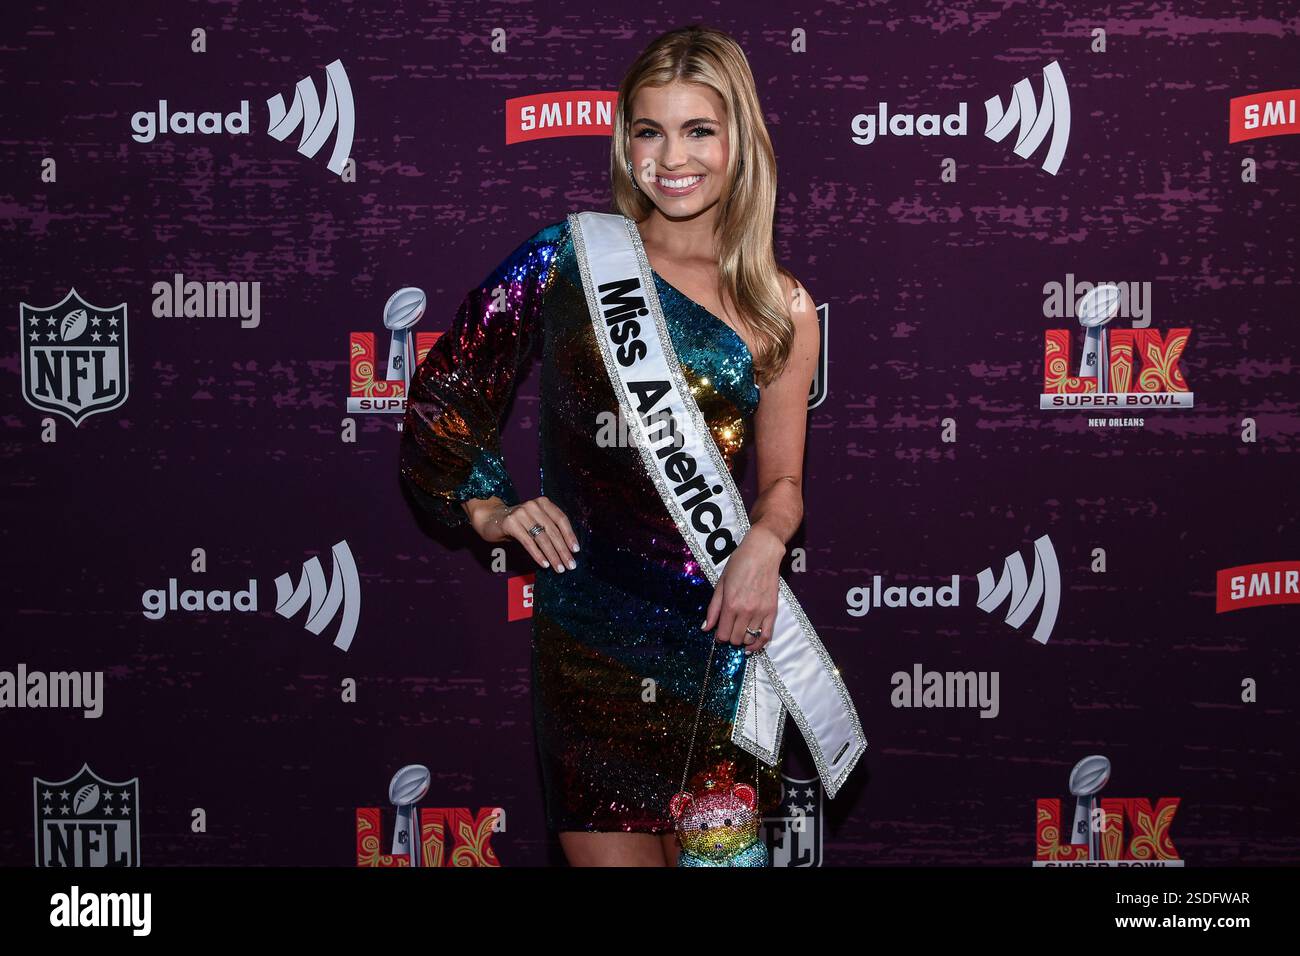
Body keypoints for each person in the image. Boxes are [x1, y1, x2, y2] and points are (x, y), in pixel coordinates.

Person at [399, 24, 822, 867]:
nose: (673, 157)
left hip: (721, 644)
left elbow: (783, 484)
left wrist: (766, 543)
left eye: (699, 130)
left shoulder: (781, 306)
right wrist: (486, 507)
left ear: (740, 141)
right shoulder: (569, 261)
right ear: (626, 143)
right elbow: (447, 389)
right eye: (649, 130)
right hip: (589, 651)